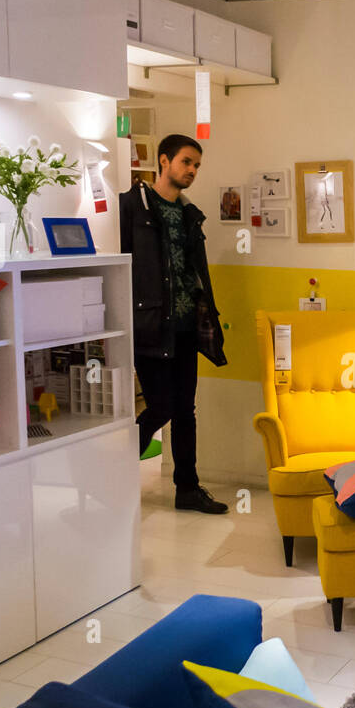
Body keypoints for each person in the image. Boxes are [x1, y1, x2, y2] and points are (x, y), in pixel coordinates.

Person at [120, 134, 229, 514]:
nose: (192, 171)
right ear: (163, 161)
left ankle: (188, 489)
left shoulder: (188, 213)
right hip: (149, 325)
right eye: (186, 162)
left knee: (185, 410)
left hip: (186, 327)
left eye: (196, 165)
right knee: (161, 406)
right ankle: (113, 472)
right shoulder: (131, 208)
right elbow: (117, 267)